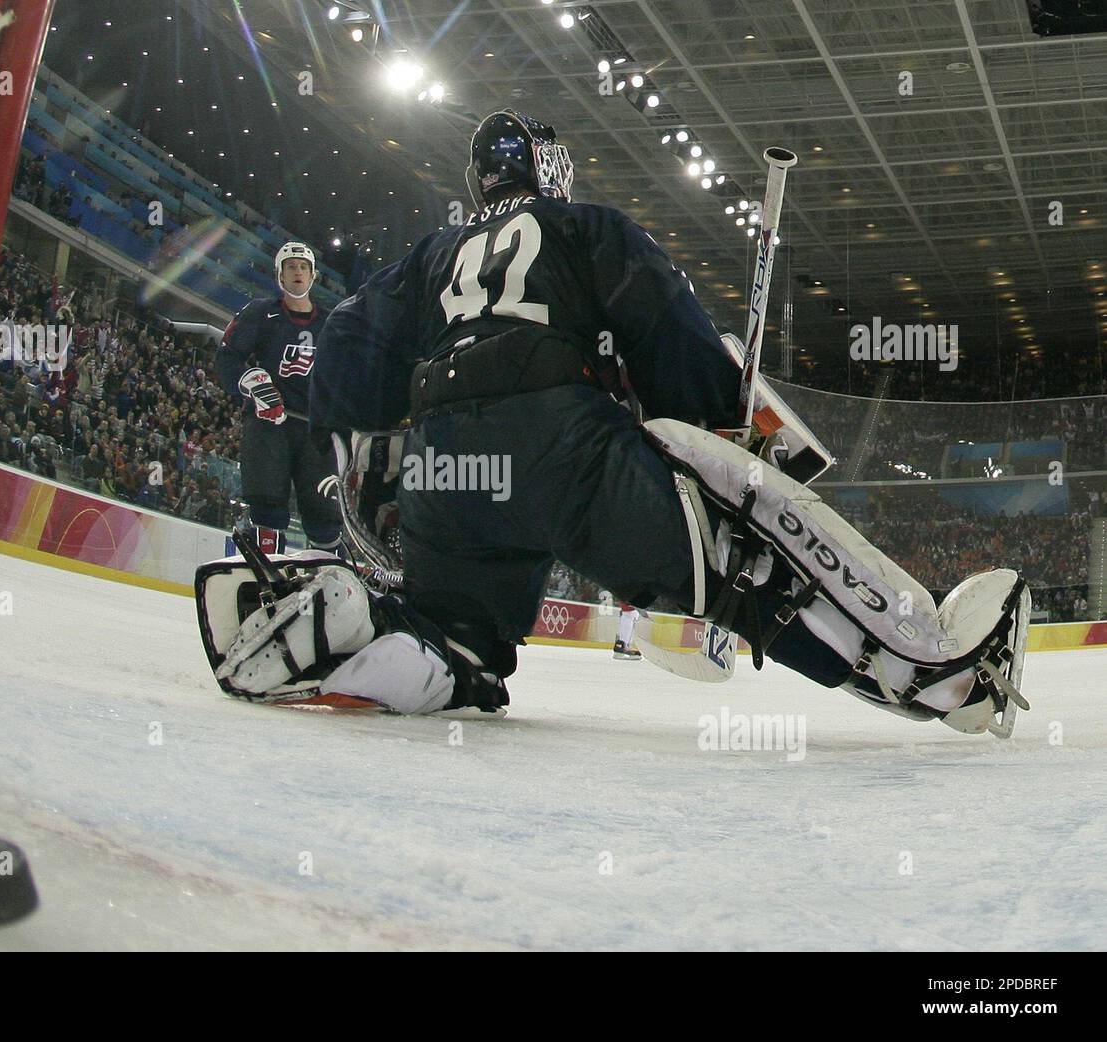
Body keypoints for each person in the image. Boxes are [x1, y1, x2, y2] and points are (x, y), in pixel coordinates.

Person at [198, 110, 1031, 736]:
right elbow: (663, 321)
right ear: (550, 170)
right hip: (566, 452)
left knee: (463, 647)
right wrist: (718, 420)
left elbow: (342, 359)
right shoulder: (582, 226)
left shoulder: (430, 255)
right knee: (740, 567)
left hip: (443, 477)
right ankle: (941, 678)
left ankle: (369, 643)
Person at [214, 242, 343, 554]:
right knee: (267, 506)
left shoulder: (333, 323)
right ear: (280, 276)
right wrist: (251, 381)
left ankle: (328, 580)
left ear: (313, 276)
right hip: (269, 424)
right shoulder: (260, 313)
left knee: (326, 515)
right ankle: (267, 577)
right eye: (291, 266)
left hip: (316, 430)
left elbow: (347, 374)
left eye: (303, 267)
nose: (297, 272)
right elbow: (226, 359)